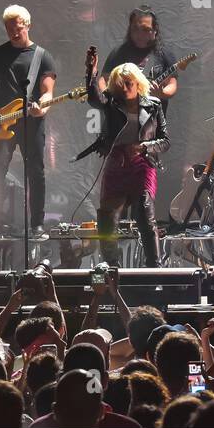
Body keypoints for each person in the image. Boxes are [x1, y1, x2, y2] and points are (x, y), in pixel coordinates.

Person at [0, 5, 57, 238]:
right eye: (8, 29)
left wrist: (43, 105)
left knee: (35, 173)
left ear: (27, 25)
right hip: (0, 123)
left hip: (31, 122)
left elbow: (48, 91)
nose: (12, 33)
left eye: (17, 28)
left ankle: (37, 225)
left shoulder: (42, 56)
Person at [85, 49, 170, 268]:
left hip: (143, 164)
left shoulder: (153, 105)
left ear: (137, 82)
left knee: (143, 212)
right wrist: (91, 72)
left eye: (129, 82)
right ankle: (111, 269)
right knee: (106, 218)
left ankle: (155, 269)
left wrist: (143, 147)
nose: (125, 87)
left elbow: (165, 141)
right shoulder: (112, 104)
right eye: (120, 83)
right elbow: (94, 98)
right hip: (117, 162)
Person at [101, 6, 180, 115]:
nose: (140, 34)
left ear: (155, 30)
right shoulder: (119, 52)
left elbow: (172, 84)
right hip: (121, 120)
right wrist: (110, 99)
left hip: (152, 122)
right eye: (135, 29)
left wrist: (161, 93)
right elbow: (103, 80)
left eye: (145, 30)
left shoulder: (164, 54)